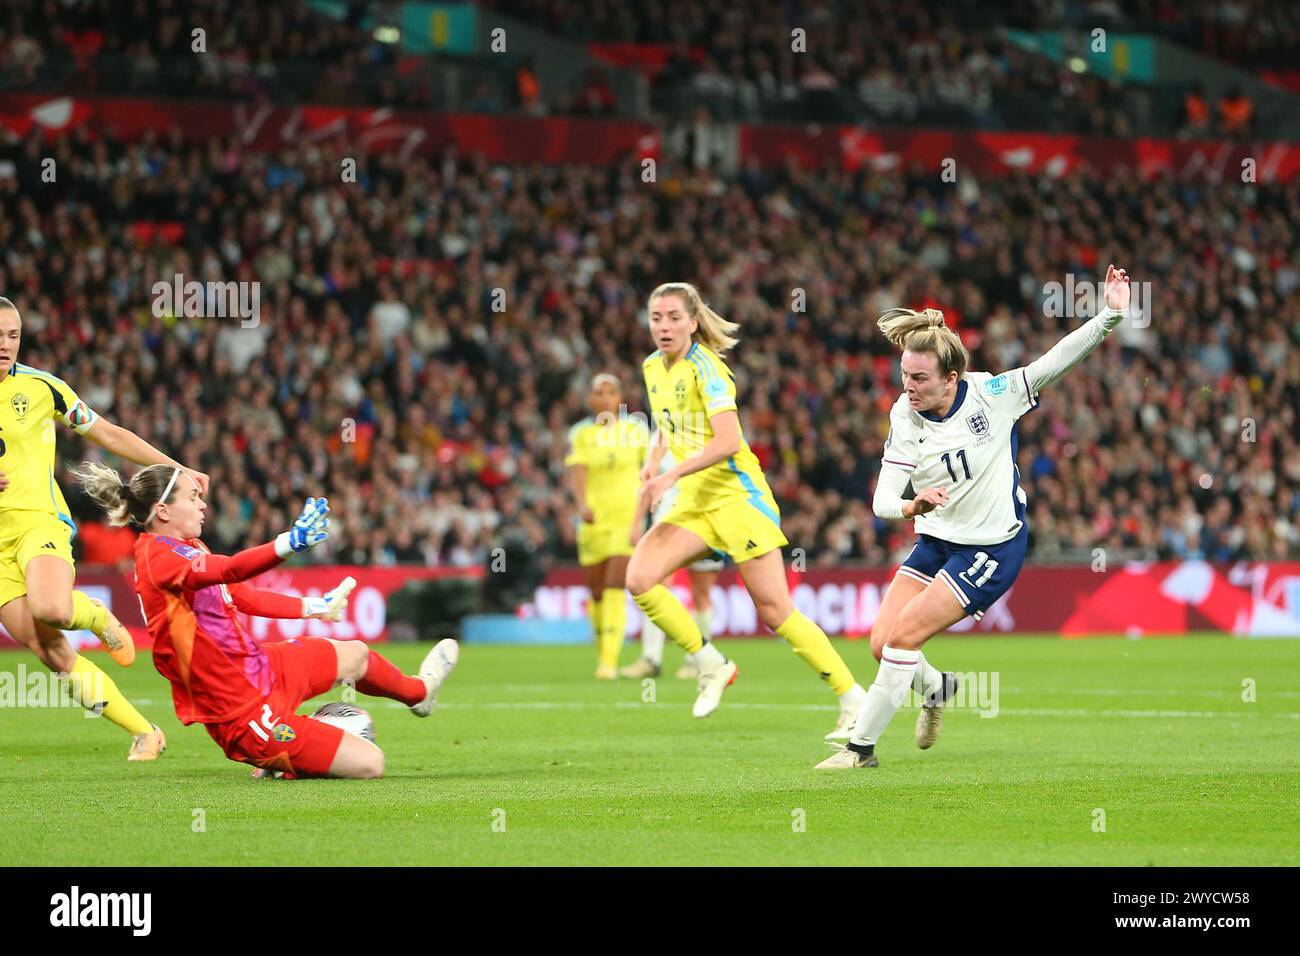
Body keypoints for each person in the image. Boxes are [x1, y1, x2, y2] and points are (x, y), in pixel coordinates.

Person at [817, 265, 1131, 769]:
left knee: (903, 638)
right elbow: (882, 500)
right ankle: (938, 688)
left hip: (991, 547)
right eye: (904, 376)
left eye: (919, 378)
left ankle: (861, 750)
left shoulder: (992, 395)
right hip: (937, 538)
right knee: (880, 643)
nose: (909, 388)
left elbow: (1055, 361)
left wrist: (1111, 315)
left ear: (951, 378)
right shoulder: (904, 416)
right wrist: (910, 507)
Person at [76, 462, 459, 779]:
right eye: (193, 498)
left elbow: (241, 595)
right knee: (370, 763)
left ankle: (420, 694)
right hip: (241, 713)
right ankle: (280, 758)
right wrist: (287, 543)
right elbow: (231, 570)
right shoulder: (156, 558)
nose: (202, 506)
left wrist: (314, 608)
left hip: (263, 667)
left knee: (356, 654)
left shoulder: (186, 546)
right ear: (162, 511)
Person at [625, 282, 867, 739]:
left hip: (737, 498)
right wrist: (652, 464)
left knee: (775, 611)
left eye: (674, 317)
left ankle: (853, 697)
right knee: (639, 578)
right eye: (656, 318)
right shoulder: (652, 368)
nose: (664, 326)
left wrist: (671, 476)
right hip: (696, 503)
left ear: (694, 321)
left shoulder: (708, 369)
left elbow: (728, 441)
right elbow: (666, 420)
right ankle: (711, 663)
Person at [0, 296, 201, 760]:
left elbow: (108, 434)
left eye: (14, 336)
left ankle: (94, 614)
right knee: (50, 652)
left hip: (38, 523)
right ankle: (146, 732)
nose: (7, 345)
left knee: (52, 608)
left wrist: (177, 470)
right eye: (0, 336)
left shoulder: (42, 388)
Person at [565, 373, 649, 679]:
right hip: (593, 519)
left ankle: (609, 662)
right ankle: (603, 650)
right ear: (590, 399)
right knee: (597, 590)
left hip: (627, 518)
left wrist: (644, 514)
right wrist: (582, 506)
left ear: (620, 398)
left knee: (616, 583)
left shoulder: (637, 430)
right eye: (599, 392)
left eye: (611, 392)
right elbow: (577, 473)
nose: (605, 398)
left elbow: (648, 471)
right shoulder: (581, 433)